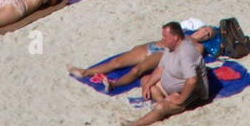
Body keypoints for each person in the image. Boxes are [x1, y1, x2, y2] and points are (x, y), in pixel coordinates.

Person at [67, 23, 218, 93]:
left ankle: (114, 85)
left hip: (163, 55)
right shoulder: (182, 32)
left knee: (137, 70)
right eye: (205, 29)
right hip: (152, 47)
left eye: (208, 34)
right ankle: (84, 72)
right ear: (199, 27)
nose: (205, 33)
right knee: (116, 61)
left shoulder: (199, 46)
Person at [120, 21, 208, 126]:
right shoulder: (169, 47)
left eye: (165, 36)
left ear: (175, 37)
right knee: (145, 81)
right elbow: (160, 68)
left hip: (190, 93)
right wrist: (148, 85)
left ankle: (135, 124)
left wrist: (180, 99)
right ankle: (164, 103)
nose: (162, 39)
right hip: (171, 87)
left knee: (161, 107)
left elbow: (192, 81)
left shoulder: (186, 54)